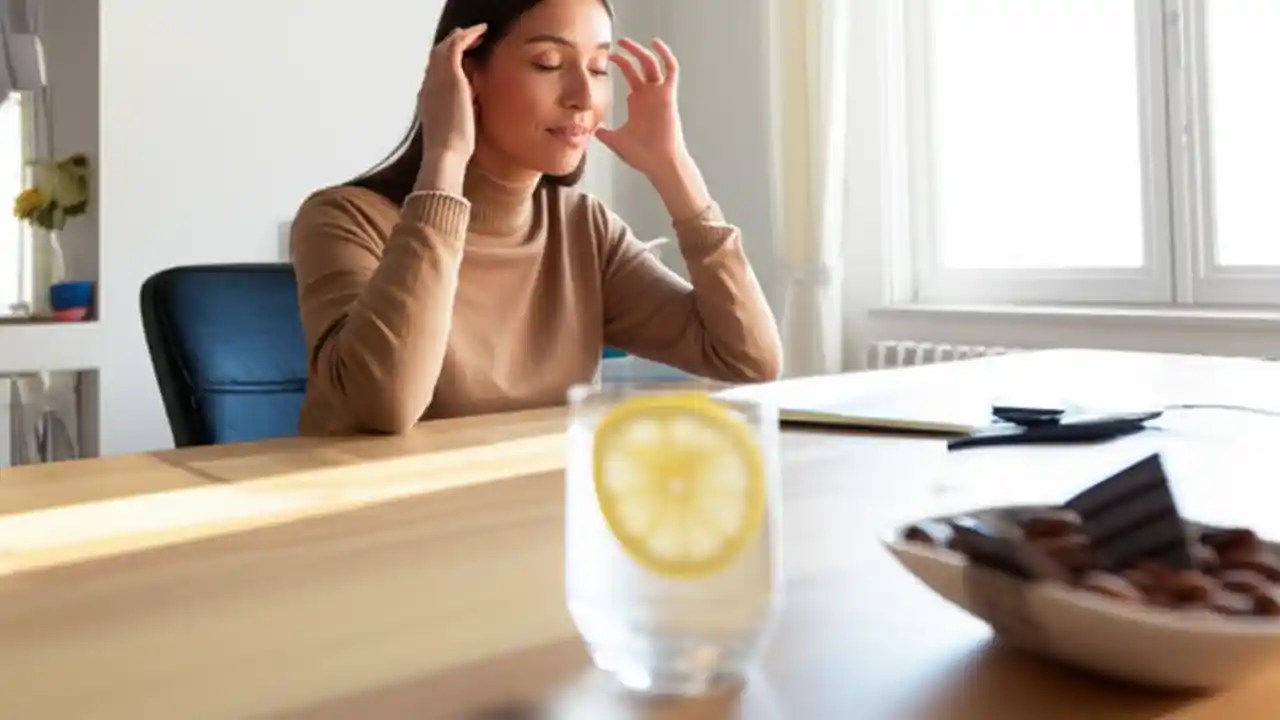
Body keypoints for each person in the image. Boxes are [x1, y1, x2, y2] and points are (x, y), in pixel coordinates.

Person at [290, 0, 782, 436]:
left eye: (597, 68)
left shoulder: (583, 230)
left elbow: (748, 358)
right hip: (379, 524)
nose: (583, 98)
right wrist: (445, 158)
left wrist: (674, 168)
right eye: (548, 63)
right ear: (466, 75)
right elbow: (385, 405)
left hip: (532, 516)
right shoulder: (343, 219)